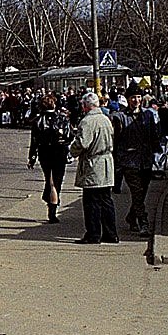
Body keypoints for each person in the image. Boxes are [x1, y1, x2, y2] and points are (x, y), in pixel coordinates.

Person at [69, 91, 118, 244]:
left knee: (92, 202)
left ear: (85, 106)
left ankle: (93, 234)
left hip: (93, 164)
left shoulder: (87, 122)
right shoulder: (105, 119)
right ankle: (111, 233)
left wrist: (72, 150)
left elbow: (82, 143)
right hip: (106, 162)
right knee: (106, 200)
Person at [112, 95, 157, 238]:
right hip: (129, 161)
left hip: (146, 159)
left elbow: (154, 135)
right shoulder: (120, 117)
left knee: (142, 192)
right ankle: (143, 222)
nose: (136, 100)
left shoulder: (148, 115)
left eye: (138, 97)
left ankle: (132, 216)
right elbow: (116, 139)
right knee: (137, 192)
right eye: (133, 97)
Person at [28, 94, 72, 223]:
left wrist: (32, 157)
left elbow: (34, 141)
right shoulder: (62, 119)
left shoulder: (37, 121)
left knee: (49, 179)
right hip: (59, 152)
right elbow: (70, 136)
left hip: (45, 153)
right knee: (56, 181)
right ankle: (53, 208)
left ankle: (51, 203)